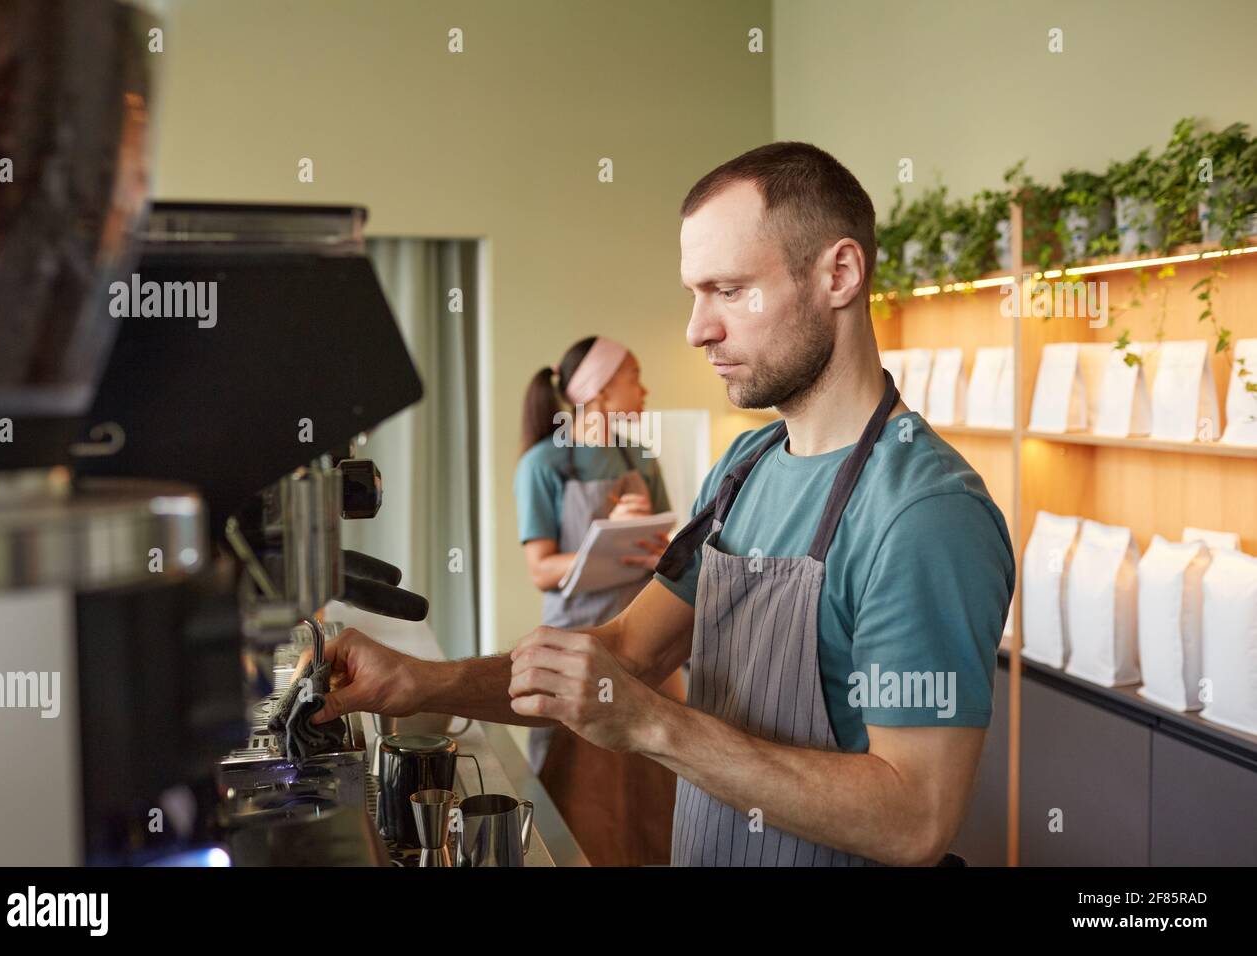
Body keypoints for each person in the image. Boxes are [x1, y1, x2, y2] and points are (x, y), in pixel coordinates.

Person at [310, 142, 1015, 867]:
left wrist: (651, 727)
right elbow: (629, 651)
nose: (697, 328)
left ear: (839, 274)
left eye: (730, 290)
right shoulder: (744, 468)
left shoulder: (924, 515)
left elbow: (915, 817)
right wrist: (423, 681)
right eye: (694, 293)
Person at [509, 336, 684, 865]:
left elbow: (668, 553)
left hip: (648, 649)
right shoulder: (544, 465)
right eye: (634, 374)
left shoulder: (641, 455)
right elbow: (541, 570)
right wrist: (603, 538)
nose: (644, 386)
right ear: (602, 389)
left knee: (656, 800)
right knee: (581, 804)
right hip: (577, 649)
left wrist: (649, 543)